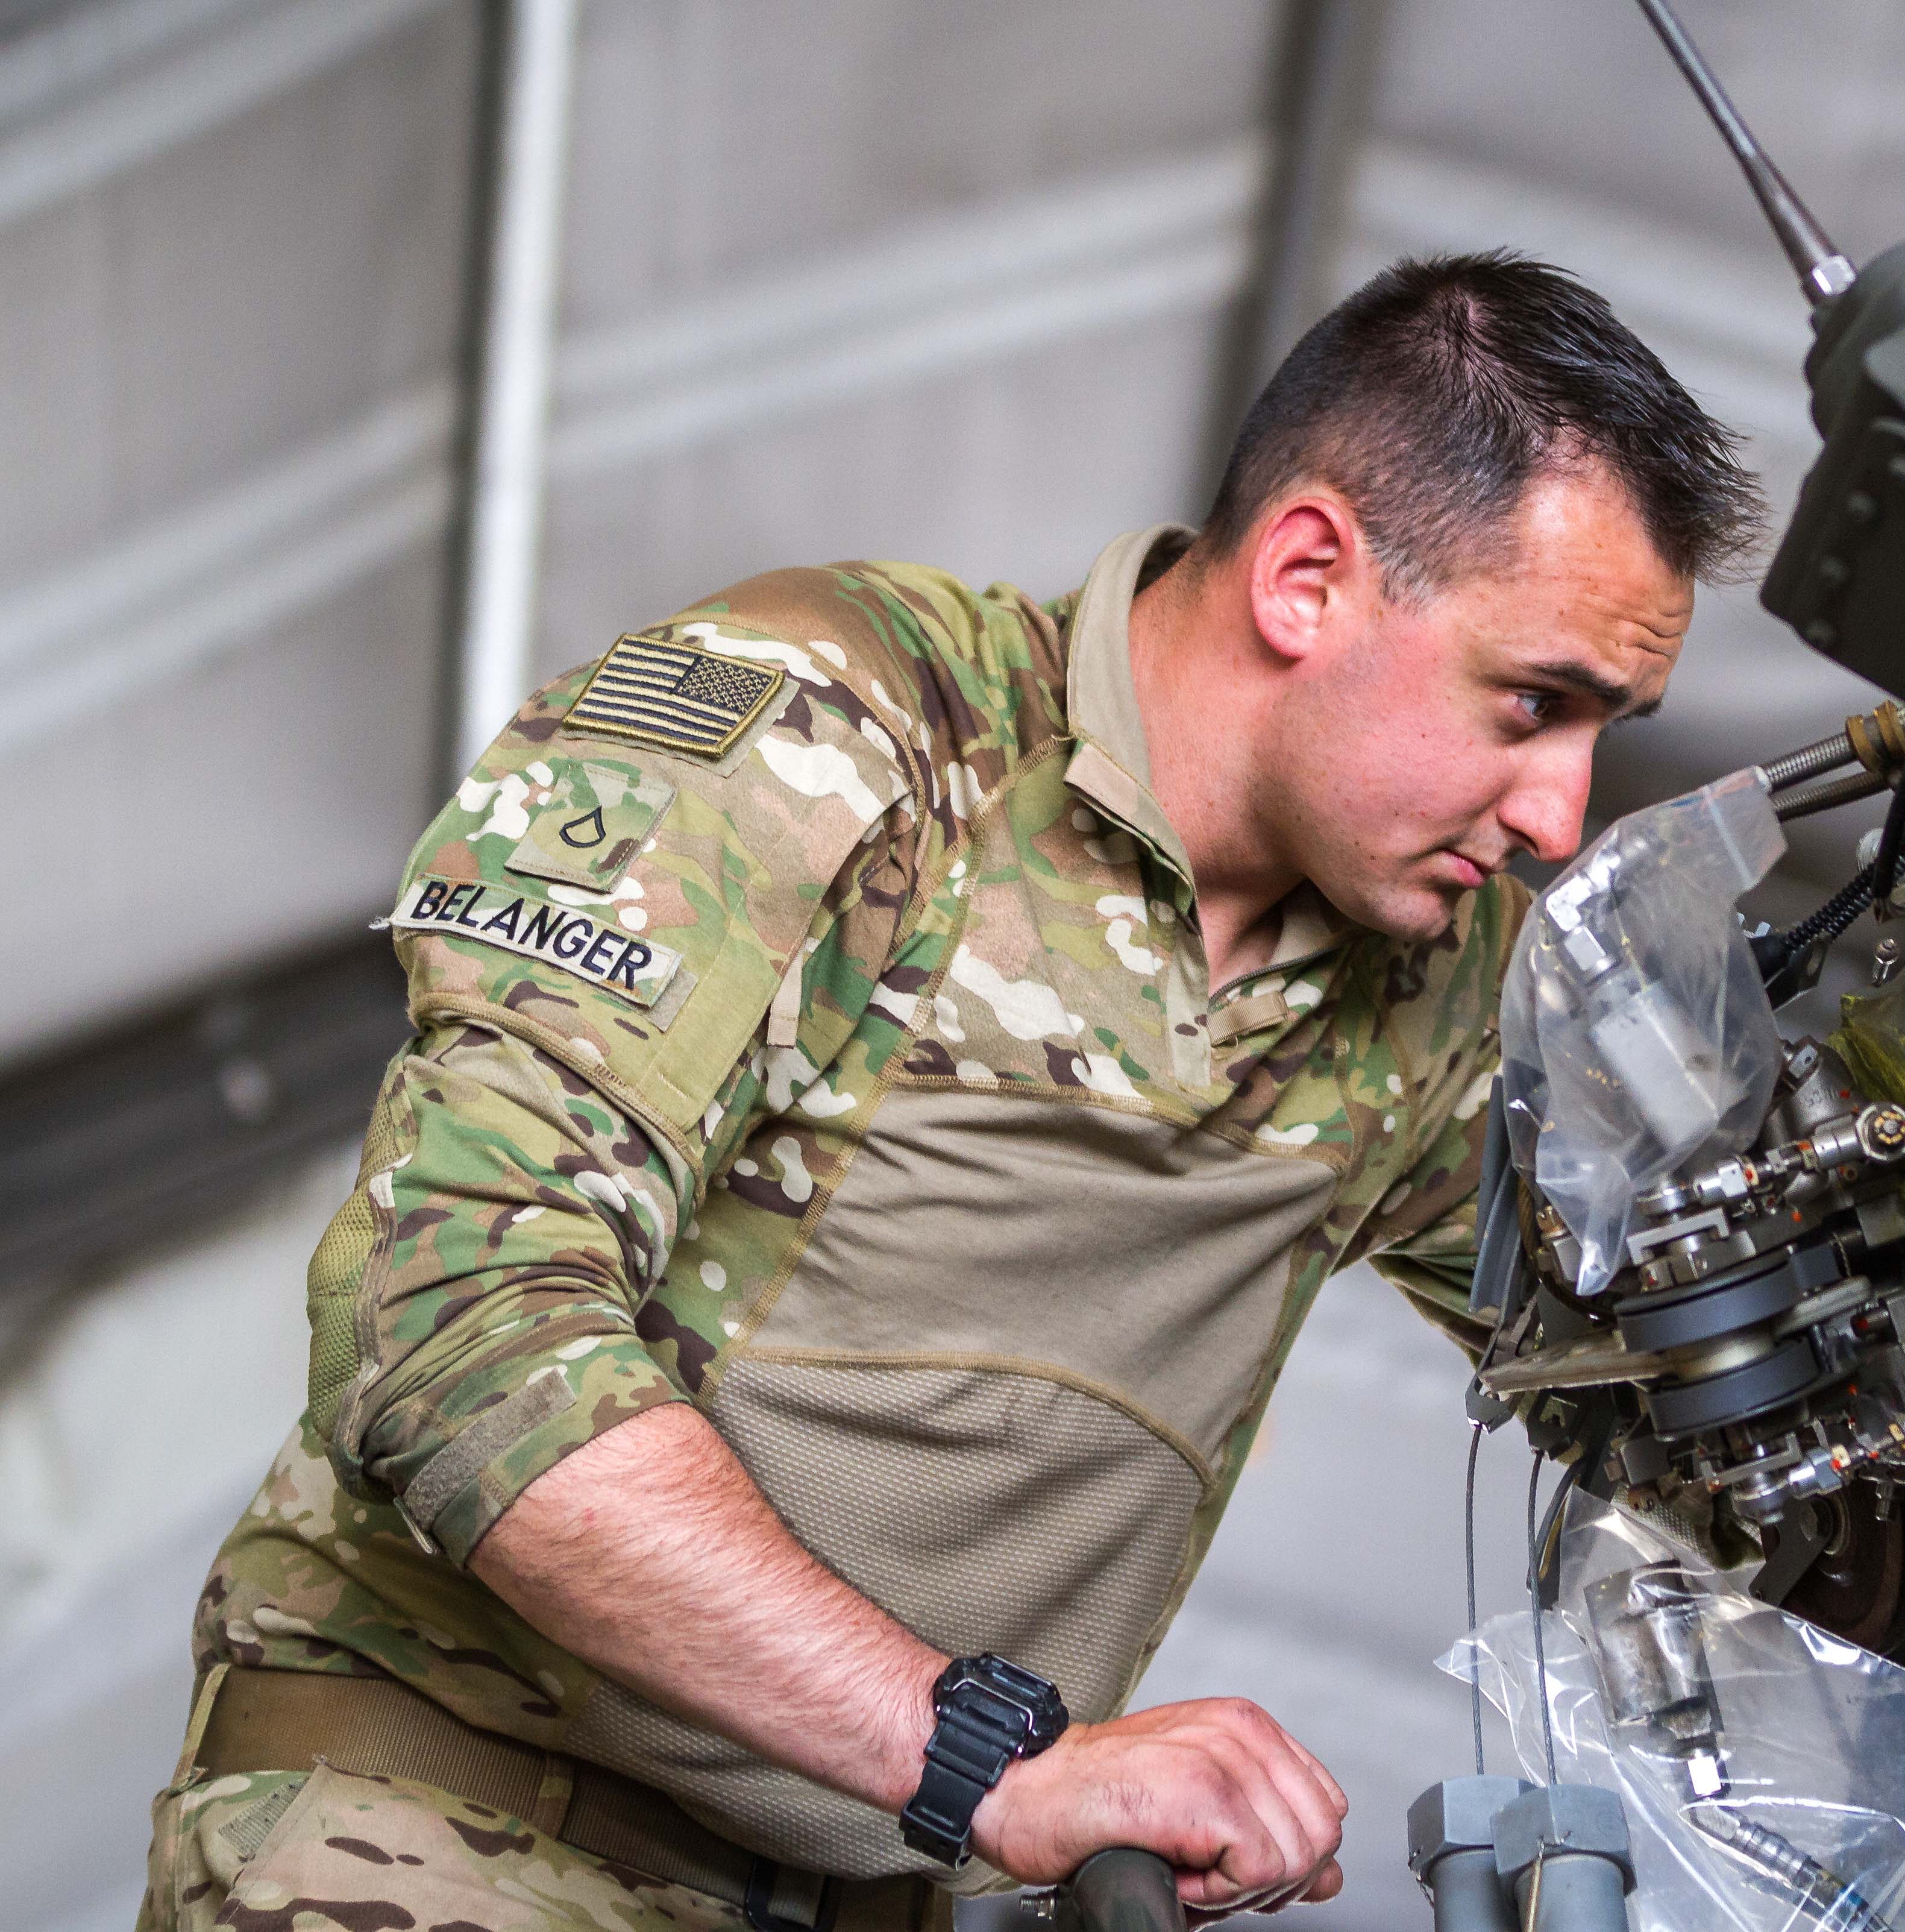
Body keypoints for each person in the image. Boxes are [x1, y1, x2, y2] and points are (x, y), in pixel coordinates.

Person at [136, 251, 1762, 1932]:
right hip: (448, 1831)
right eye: (1533, 704)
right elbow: (448, 1321)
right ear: (1305, 579)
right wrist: (990, 1762)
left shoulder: (1439, 978)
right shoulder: (843, 736)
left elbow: (1718, 1390)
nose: (1561, 815)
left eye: (1606, 729)